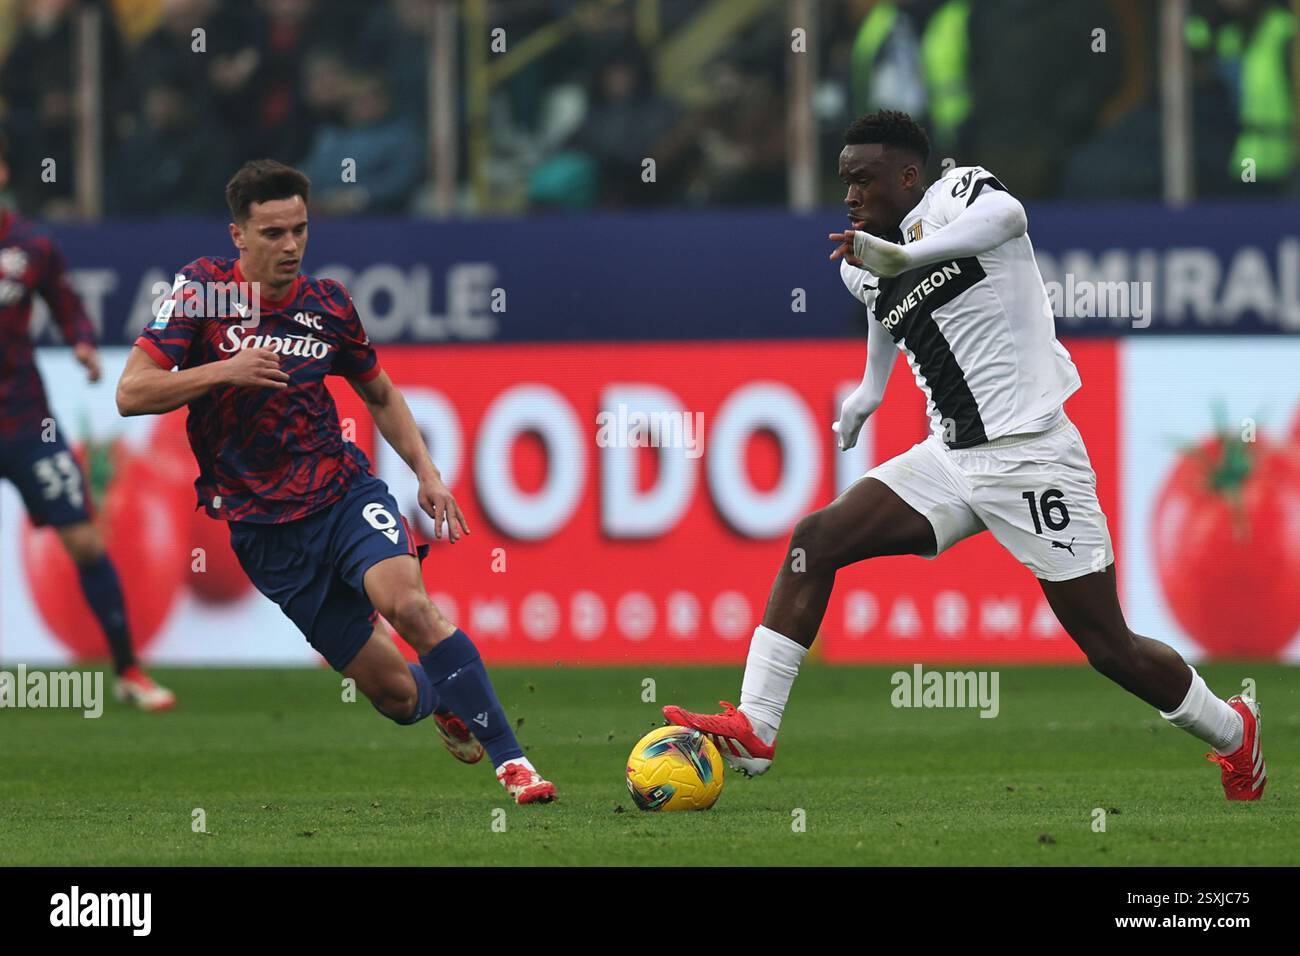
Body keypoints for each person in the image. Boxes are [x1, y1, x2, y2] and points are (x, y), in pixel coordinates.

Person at [663, 110, 1266, 802]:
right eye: (844, 182)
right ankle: (757, 726)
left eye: (864, 179)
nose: (851, 195)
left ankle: (1233, 731)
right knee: (815, 540)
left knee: (1110, 648)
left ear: (908, 175)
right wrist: (868, 390)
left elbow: (1011, 218)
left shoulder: (959, 196)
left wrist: (908, 257)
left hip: (1033, 454)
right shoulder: (862, 262)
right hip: (950, 460)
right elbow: (884, 311)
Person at [114, 159, 556, 804]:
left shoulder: (329, 305)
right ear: (238, 235)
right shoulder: (200, 295)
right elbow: (132, 393)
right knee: (398, 697)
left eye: (299, 229)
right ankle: (446, 702)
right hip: (265, 533)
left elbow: (378, 392)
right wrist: (222, 371)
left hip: (343, 495)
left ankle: (515, 766)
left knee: (410, 606)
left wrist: (427, 475)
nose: (290, 245)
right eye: (272, 233)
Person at [0, 134, 174, 711]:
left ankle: (127, 668)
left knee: (82, 539)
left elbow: (68, 306)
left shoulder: (33, 246)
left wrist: (81, 346)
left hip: (25, 420)